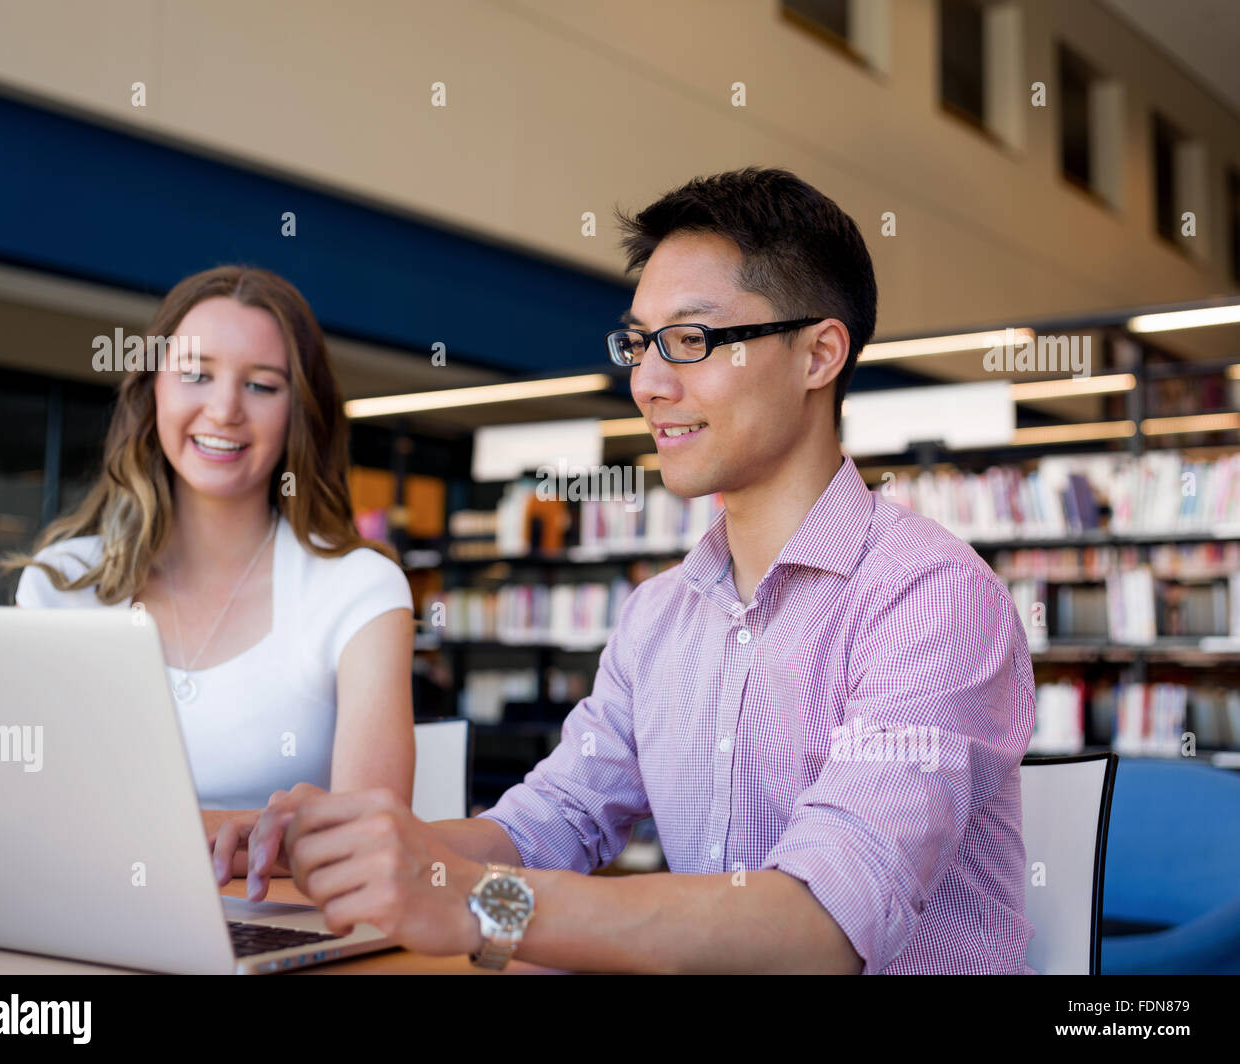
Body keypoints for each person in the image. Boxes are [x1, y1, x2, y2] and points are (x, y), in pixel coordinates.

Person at [242, 168, 1037, 973]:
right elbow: (551, 822)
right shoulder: (661, 612)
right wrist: (361, 852)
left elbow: (821, 926)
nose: (649, 385)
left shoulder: (930, 600)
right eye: (639, 343)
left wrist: (482, 905)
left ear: (818, 355)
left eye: (691, 340)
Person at [3, 266, 415, 882]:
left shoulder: (359, 589)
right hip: (81, 927)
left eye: (262, 386)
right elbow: (20, 815)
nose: (224, 410)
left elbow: (360, 847)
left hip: (276, 937)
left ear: (298, 411)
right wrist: (258, 832)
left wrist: (114, 826)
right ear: (153, 391)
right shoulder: (58, 584)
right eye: (195, 374)